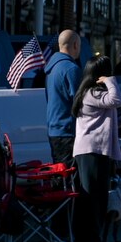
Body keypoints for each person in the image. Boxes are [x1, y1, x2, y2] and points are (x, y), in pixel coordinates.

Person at [72, 56, 121, 242]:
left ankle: (90, 238)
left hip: (95, 151)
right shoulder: (91, 93)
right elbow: (117, 99)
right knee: (93, 197)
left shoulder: (89, 93)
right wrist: (110, 80)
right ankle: (89, 240)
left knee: (97, 196)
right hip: (91, 151)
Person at [45, 30, 82, 166]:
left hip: (54, 130)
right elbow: (80, 102)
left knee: (60, 175)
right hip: (68, 131)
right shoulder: (71, 69)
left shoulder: (51, 69)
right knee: (71, 179)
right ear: (75, 45)